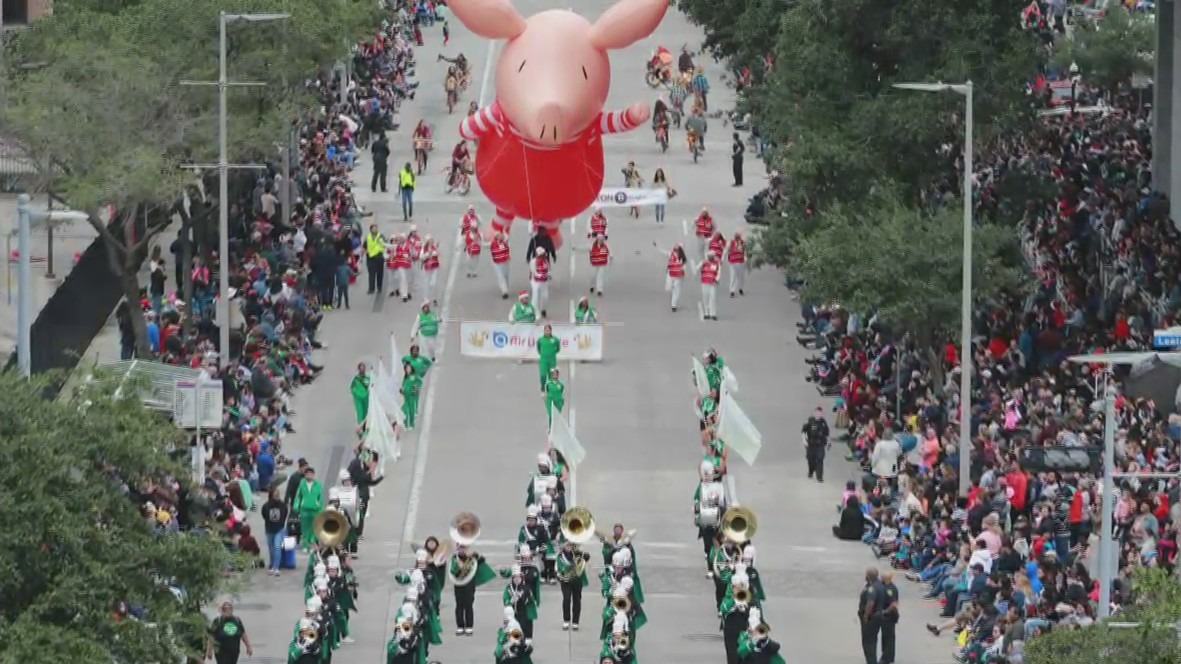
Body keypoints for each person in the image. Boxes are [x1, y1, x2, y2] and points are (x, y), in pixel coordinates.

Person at [293, 466, 324, 551]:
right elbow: (298, 497)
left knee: (314, 528)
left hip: (315, 510)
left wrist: (321, 509)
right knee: (305, 528)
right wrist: (296, 506)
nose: (309, 475)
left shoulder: (318, 485)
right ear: (305, 475)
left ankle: (312, 545)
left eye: (311, 474)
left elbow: (320, 498)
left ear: (313, 475)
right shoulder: (302, 484)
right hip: (304, 510)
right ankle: (306, 545)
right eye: (307, 474)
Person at [262, 488, 289, 576]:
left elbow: (285, 514)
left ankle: (276, 567)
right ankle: (272, 564)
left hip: (279, 530)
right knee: (271, 549)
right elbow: (264, 515)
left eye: (278, 494)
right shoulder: (266, 506)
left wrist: (281, 525)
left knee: (277, 547)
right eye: (275, 494)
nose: (277, 496)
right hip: (269, 530)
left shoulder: (283, 505)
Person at [859, 567, 884, 664]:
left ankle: (871, 662)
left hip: (871, 618)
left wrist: (865, 616)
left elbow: (870, 603)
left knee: (868, 643)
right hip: (877, 616)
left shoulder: (872, 588)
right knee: (872, 640)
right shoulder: (880, 585)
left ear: (868, 576)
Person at [802, 407, 830, 482]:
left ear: (822, 414)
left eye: (820, 413)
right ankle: (811, 471)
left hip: (820, 444)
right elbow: (804, 431)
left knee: (820, 459)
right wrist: (804, 440)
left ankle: (820, 477)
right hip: (811, 444)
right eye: (817, 413)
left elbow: (827, 434)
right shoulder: (810, 421)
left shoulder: (823, 423)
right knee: (810, 460)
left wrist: (828, 442)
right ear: (815, 413)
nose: (818, 415)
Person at [879, 570, 900, 664]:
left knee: (888, 637)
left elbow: (894, 604)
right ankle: (889, 656)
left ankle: (886, 658)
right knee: (886, 636)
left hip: (889, 616)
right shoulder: (884, 586)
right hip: (887, 615)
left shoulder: (890, 589)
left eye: (881, 577)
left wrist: (885, 612)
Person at [536, 324, 561, 393]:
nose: (547, 332)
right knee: (543, 375)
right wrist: (543, 354)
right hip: (543, 361)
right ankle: (542, 388)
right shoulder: (540, 340)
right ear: (544, 331)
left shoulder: (555, 339)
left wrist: (552, 353)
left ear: (551, 331)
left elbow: (558, 349)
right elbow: (538, 349)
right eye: (546, 330)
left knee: (551, 376)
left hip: (552, 361)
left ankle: (550, 390)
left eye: (548, 330)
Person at [530, 246, 552, 319]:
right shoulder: (533, 262)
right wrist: (542, 275)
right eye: (541, 255)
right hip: (535, 282)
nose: (543, 256)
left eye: (543, 255)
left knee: (545, 296)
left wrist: (548, 275)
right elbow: (534, 272)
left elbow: (549, 269)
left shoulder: (546, 261)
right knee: (535, 296)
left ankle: (543, 309)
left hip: (544, 282)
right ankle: (534, 311)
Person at [366, 223, 387, 294]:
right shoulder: (368, 237)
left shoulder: (380, 236)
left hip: (379, 256)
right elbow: (365, 246)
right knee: (371, 273)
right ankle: (371, 288)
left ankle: (379, 287)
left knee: (380, 273)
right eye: (373, 228)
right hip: (371, 257)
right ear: (370, 229)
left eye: (376, 228)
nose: (375, 229)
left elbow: (385, 243)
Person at [401, 361, 423, 430]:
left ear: (411, 369)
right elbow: (403, 386)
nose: (408, 370)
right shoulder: (405, 377)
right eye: (407, 369)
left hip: (411, 396)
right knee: (404, 410)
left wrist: (416, 389)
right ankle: (405, 424)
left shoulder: (414, 377)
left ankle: (411, 424)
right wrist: (401, 390)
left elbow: (419, 382)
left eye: (409, 368)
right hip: (405, 396)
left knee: (411, 410)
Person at [700, 252, 721, 321]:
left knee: (713, 298)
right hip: (704, 282)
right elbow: (699, 269)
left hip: (712, 283)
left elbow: (719, 272)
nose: (710, 257)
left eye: (712, 256)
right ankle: (706, 313)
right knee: (705, 298)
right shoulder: (704, 263)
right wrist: (702, 263)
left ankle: (713, 314)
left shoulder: (717, 263)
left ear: (714, 256)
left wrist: (717, 279)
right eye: (709, 256)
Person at [490, 231, 511, 298]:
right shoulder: (493, 243)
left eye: (501, 235)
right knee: (501, 277)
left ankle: (506, 288)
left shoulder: (505, 242)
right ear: (496, 237)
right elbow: (485, 244)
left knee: (506, 276)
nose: (501, 236)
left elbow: (507, 236)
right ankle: (504, 292)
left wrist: (505, 231)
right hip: (497, 263)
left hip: (505, 262)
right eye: (499, 235)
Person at [667, 244, 687, 312]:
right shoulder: (671, 254)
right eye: (674, 248)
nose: (675, 249)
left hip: (678, 276)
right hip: (671, 274)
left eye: (676, 248)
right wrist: (657, 247)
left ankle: (674, 305)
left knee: (677, 291)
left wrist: (683, 274)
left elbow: (684, 267)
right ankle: (673, 301)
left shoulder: (682, 258)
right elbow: (663, 252)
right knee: (670, 289)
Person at [727, 232, 747, 297]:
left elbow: (728, 250)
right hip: (739, 261)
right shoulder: (742, 242)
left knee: (734, 276)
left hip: (734, 261)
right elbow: (744, 252)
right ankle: (738, 289)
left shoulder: (732, 242)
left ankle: (733, 290)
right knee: (740, 276)